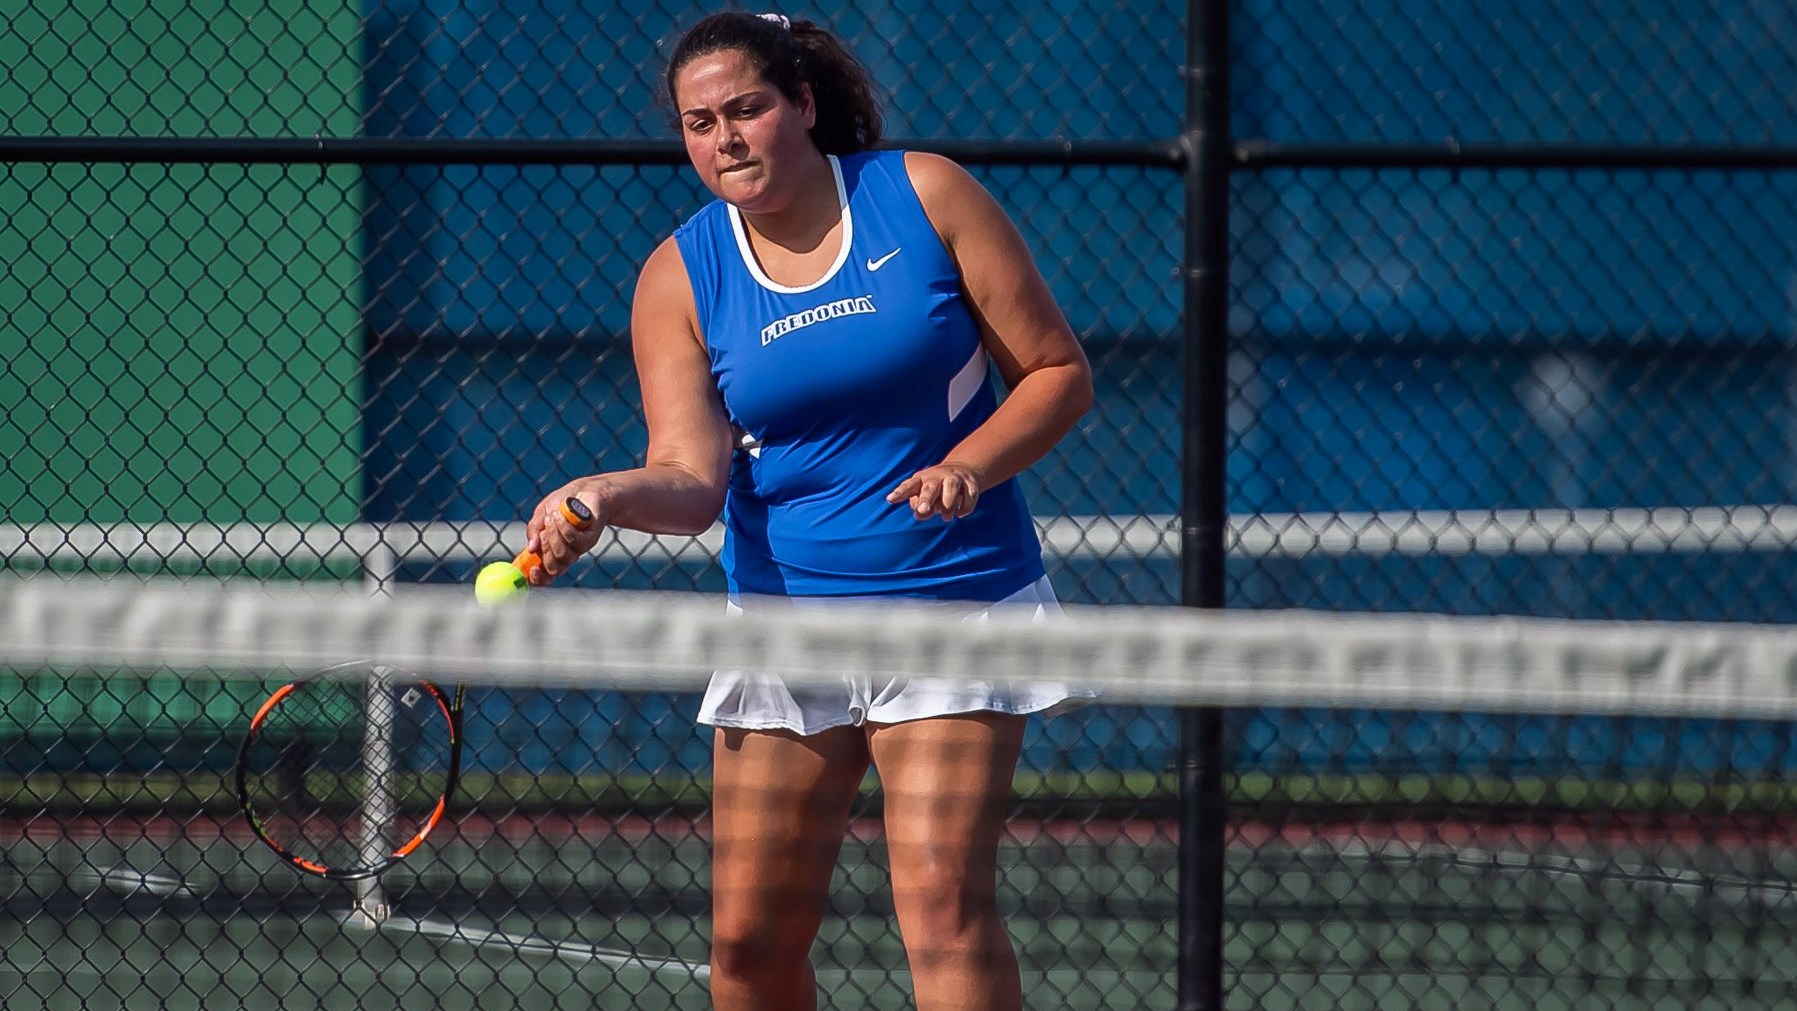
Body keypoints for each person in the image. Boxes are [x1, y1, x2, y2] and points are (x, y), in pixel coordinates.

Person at [523, 11, 1092, 1011]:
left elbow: (1055, 374)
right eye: (699, 123)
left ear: (804, 105)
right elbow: (691, 480)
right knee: (747, 951)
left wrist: (968, 464)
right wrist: (602, 496)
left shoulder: (924, 195)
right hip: (786, 629)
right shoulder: (681, 275)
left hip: (955, 608)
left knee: (942, 907)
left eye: (746, 109)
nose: (725, 139)